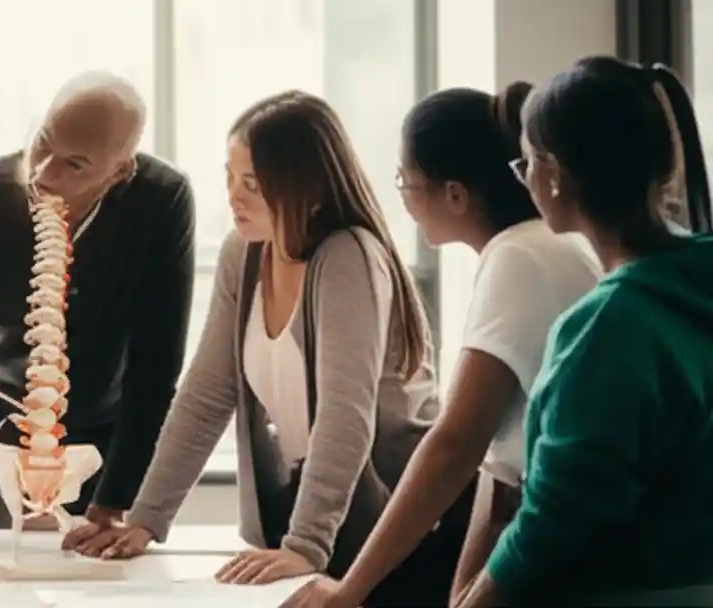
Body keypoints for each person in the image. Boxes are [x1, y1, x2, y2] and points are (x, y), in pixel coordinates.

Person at [62, 90, 464, 605]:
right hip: (322, 532)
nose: (233, 197)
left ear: (307, 188)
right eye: (229, 178)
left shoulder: (348, 258)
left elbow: (346, 414)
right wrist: (145, 521)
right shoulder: (244, 251)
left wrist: (305, 545)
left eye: (251, 184)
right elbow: (206, 395)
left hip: (396, 536)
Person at [284, 83, 602, 608]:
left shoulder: (519, 258)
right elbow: (494, 463)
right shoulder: (548, 245)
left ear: (455, 194)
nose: (403, 197)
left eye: (406, 181)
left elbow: (456, 444)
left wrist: (351, 588)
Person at [452, 58, 713, 606]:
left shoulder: (610, 326)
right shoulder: (691, 282)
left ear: (554, 176)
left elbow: (555, 517)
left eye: (525, 164)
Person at [0, 71, 196, 531]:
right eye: (42, 143)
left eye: (75, 164)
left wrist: (116, 501)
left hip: (111, 435)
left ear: (120, 171)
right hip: (3, 429)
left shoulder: (161, 201)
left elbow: (155, 368)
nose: (45, 173)